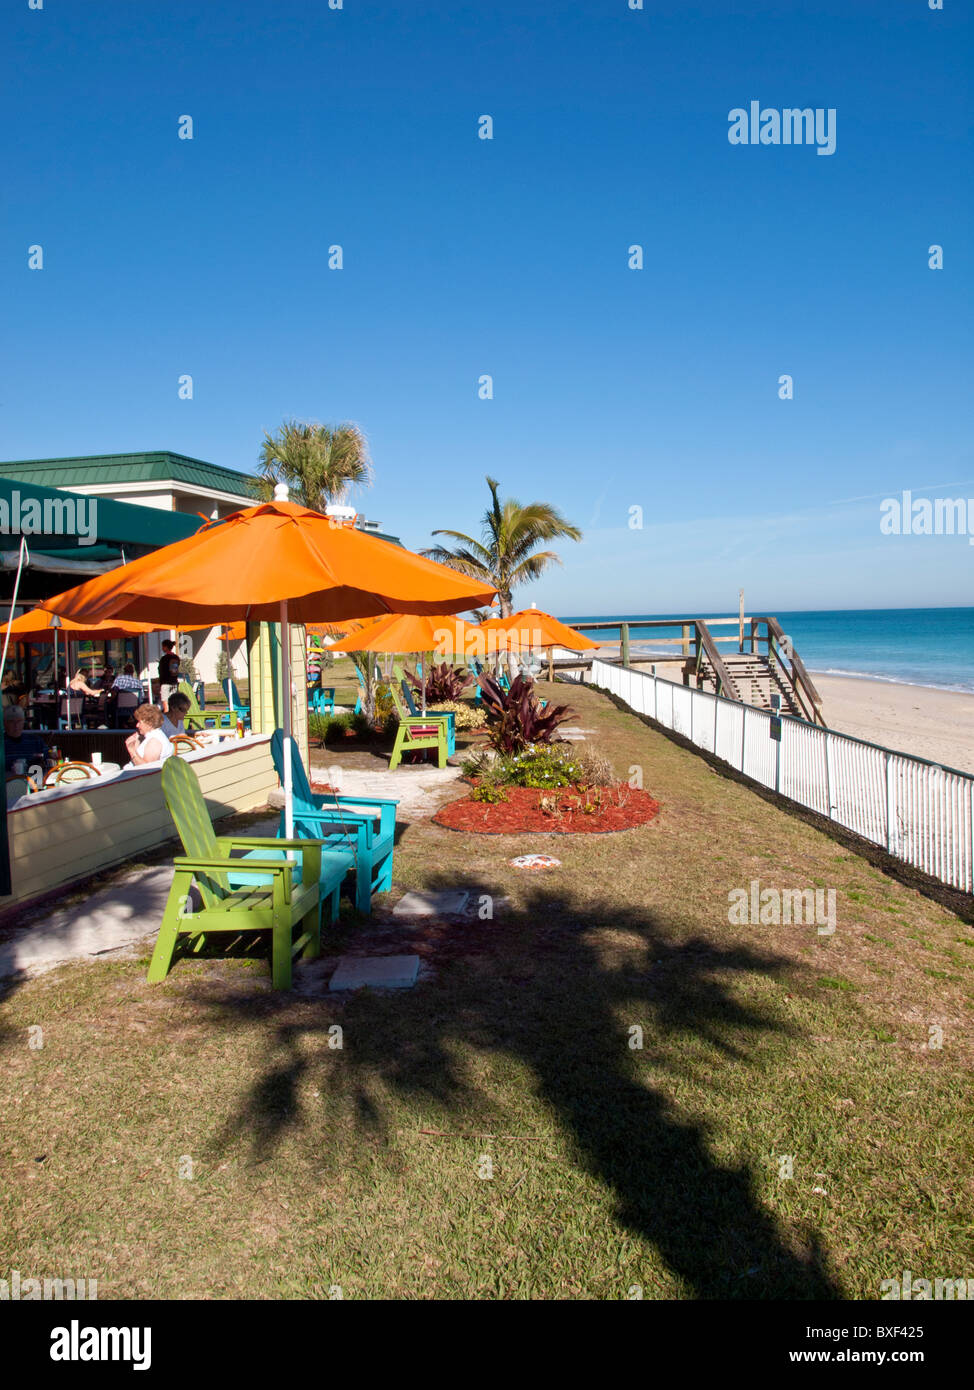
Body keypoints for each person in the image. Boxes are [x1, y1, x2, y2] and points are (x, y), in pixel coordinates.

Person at [3, 704, 49, 779]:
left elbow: (48, 760)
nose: (16, 725)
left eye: (19, 721)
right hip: (7, 785)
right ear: (5, 723)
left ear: (23, 722)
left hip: (35, 783)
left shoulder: (36, 741)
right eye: (11, 722)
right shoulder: (2, 743)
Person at [123, 703, 175, 768]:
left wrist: (131, 750)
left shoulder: (154, 741)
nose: (137, 725)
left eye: (140, 722)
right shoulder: (153, 736)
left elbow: (146, 768)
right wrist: (136, 743)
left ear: (149, 723)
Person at [157, 641, 182, 712]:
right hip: (174, 682)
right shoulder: (176, 657)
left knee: (166, 705)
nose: (162, 648)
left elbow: (161, 670)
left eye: (163, 646)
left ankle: (167, 721)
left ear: (165, 647)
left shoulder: (164, 658)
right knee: (174, 704)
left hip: (165, 683)